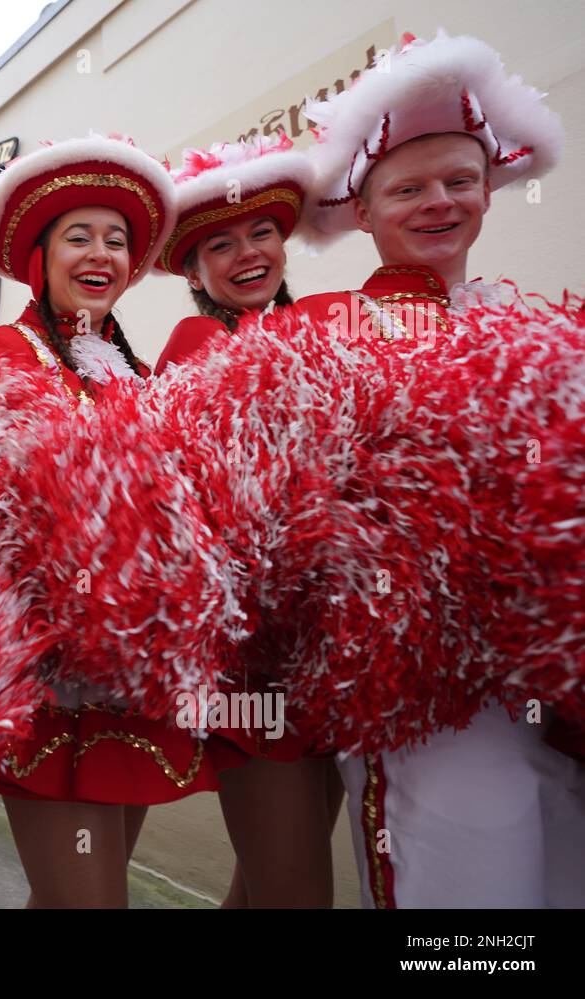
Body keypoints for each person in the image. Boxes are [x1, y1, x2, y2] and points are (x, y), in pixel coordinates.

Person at [298, 29, 585, 908]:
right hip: (431, 695)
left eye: (460, 180)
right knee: (470, 908)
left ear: (490, 191)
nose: (439, 203)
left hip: (557, 691)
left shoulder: (543, 328)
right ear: (367, 210)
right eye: (408, 188)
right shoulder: (322, 333)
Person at [0, 135, 243, 908]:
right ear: (39, 255)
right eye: (79, 237)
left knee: (82, 892)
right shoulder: (1, 353)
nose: (100, 254)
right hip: (49, 686)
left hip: (133, 681)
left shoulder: (133, 370)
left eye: (116, 240)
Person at [152, 134, 343, 907]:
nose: (246, 255)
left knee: (264, 888)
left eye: (261, 233)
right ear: (194, 271)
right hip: (250, 664)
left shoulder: (330, 331)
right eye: (219, 245)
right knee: (298, 893)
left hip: (330, 653)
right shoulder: (192, 348)